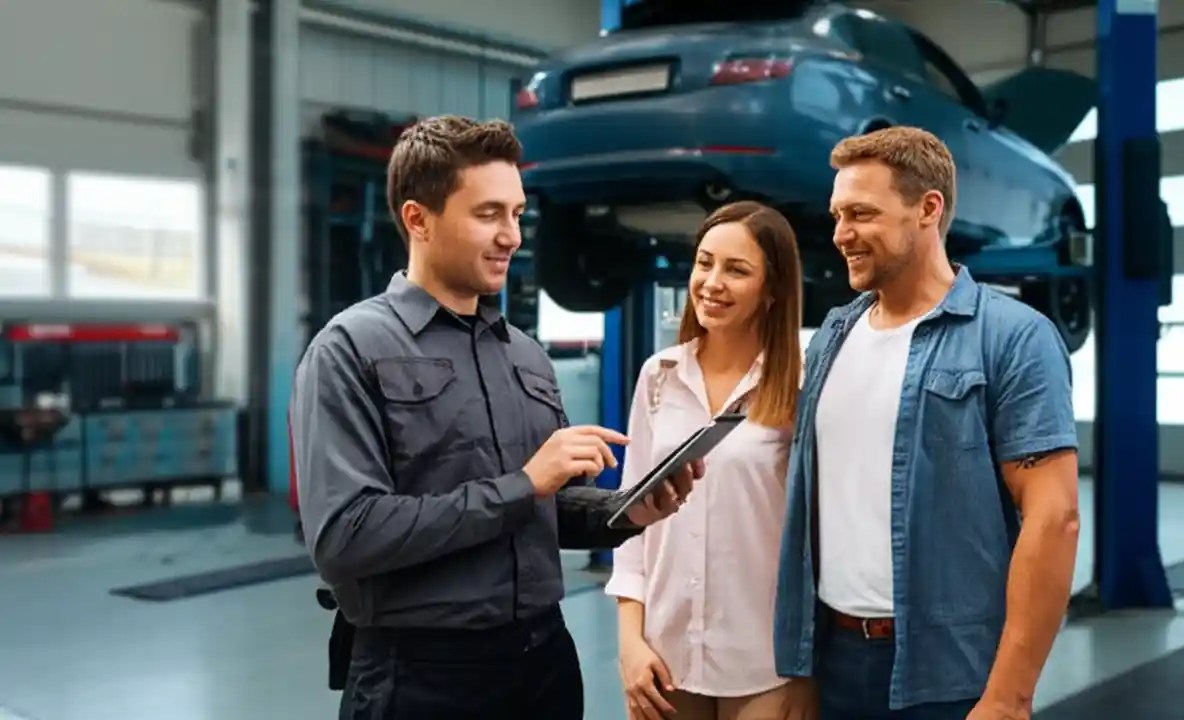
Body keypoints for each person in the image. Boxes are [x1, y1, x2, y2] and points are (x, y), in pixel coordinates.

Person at [290, 115, 704, 720]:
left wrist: (630, 511)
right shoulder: (350, 350)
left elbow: (544, 511)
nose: (512, 235)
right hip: (423, 675)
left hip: (543, 665)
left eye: (516, 214)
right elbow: (346, 536)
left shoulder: (524, 354)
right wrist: (525, 484)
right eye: (488, 214)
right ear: (417, 219)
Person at [772, 126, 1081, 719]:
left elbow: (1054, 517)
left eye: (861, 213)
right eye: (837, 215)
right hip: (835, 661)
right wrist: (802, 666)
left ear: (927, 209)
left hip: (952, 677)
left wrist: (1009, 696)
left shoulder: (1012, 338)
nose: (841, 235)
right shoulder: (833, 334)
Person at [605, 200, 816, 720]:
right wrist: (630, 643)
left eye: (737, 270)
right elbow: (630, 523)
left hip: (765, 663)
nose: (712, 282)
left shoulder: (802, 385)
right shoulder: (659, 376)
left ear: (773, 290)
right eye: (705, 262)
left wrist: (807, 669)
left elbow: (819, 540)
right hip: (664, 656)